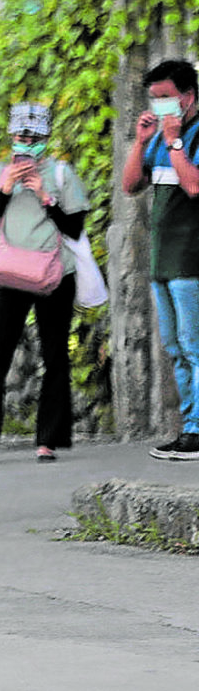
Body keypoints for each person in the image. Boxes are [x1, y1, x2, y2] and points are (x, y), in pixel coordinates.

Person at [0, 103, 88, 467]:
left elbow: (74, 227)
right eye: (20, 137)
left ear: (44, 139)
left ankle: (49, 440)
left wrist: (46, 196)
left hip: (53, 274)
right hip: (9, 275)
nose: (25, 144)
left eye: (32, 138)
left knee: (55, 356)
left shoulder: (61, 174)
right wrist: (4, 189)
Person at [121, 59, 199, 460]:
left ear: (187, 97)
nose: (161, 105)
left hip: (191, 262)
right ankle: (190, 427)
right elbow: (131, 185)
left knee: (194, 345)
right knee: (174, 347)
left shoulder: (193, 136)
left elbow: (193, 184)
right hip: (162, 262)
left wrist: (175, 142)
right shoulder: (158, 139)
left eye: (167, 98)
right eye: (155, 99)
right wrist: (141, 141)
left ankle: (198, 429)